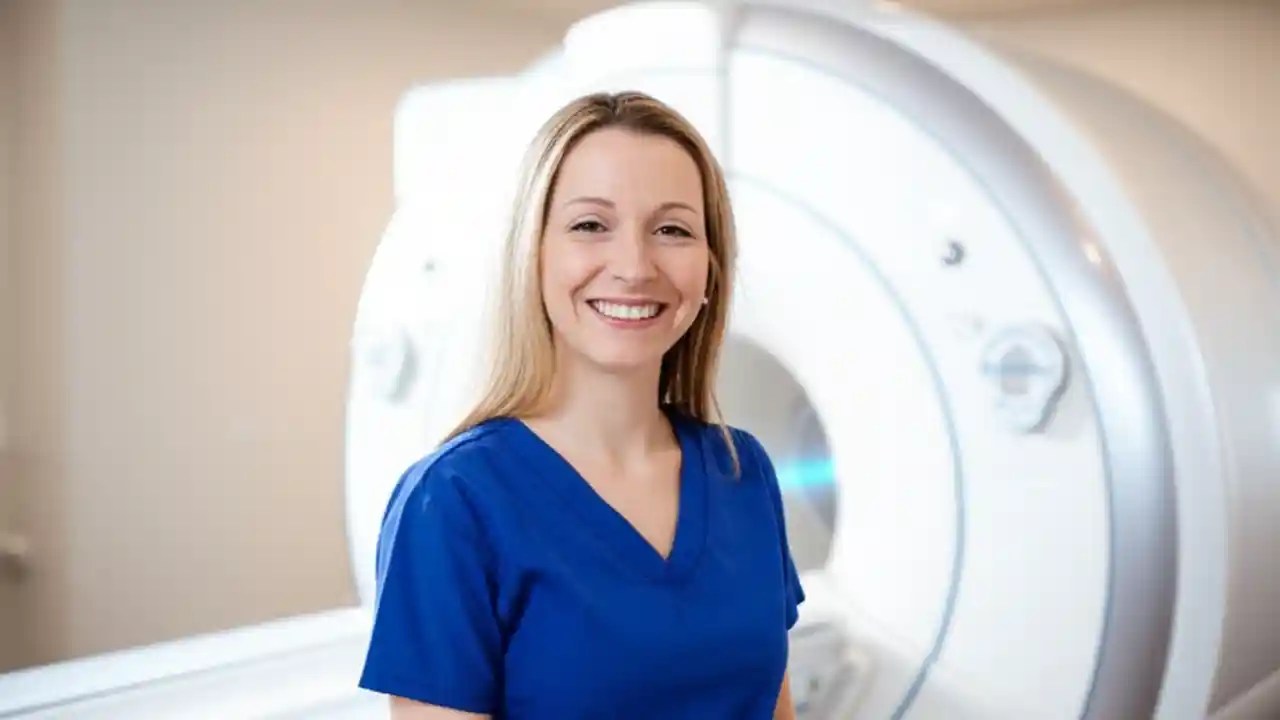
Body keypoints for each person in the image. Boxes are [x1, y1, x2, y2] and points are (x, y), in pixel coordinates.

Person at [357, 90, 806, 719]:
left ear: (710, 269)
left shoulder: (743, 472)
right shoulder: (453, 501)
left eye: (672, 230)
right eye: (590, 225)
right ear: (534, 254)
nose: (633, 266)